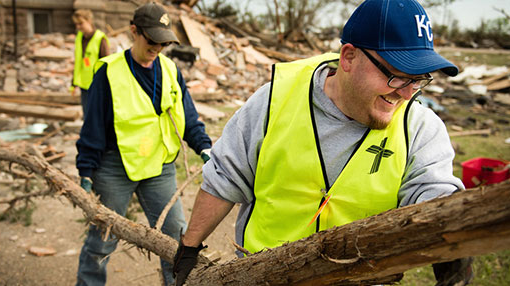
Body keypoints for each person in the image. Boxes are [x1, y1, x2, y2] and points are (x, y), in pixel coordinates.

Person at [173, 0, 473, 285]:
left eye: (418, 79)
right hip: (262, 275)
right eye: (395, 75)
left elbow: (431, 189)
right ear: (349, 57)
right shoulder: (273, 102)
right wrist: (189, 247)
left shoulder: (420, 127)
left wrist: (447, 228)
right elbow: (225, 177)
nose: (407, 93)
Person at [75, 3, 212, 286]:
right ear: (133, 31)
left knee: (174, 239)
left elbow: (187, 117)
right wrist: (86, 170)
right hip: (115, 168)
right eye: (151, 41)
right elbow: (93, 126)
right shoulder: (108, 72)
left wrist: (204, 147)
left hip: (159, 167)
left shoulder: (170, 70)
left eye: (163, 43)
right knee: (102, 239)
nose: (157, 48)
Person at [71, 9, 111, 116]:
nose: (78, 27)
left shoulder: (100, 39)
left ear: (89, 21)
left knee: (97, 116)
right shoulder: (79, 37)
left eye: (80, 23)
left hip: (97, 86)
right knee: (87, 116)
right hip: (84, 85)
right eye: (76, 24)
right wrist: (73, 83)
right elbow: (78, 62)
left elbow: (107, 64)